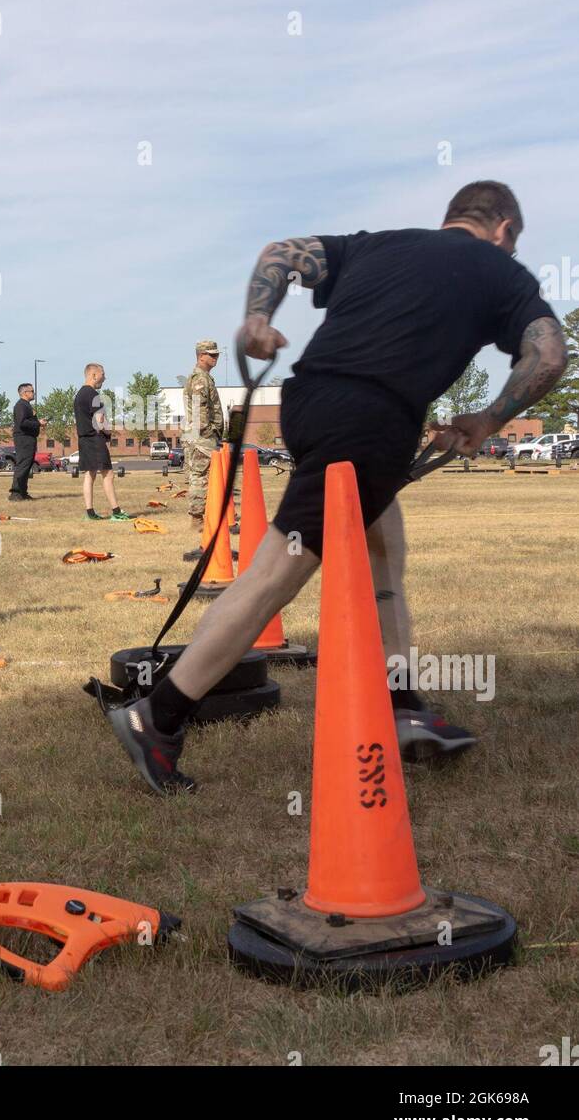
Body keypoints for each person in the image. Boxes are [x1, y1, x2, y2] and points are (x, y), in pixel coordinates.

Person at [108, 181, 567, 793]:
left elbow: (283, 253)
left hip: (311, 402)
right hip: (369, 420)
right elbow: (549, 356)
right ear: (505, 228)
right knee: (276, 573)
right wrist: (488, 419)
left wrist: (257, 321)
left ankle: (400, 702)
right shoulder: (501, 272)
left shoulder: (380, 243)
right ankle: (155, 717)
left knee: (383, 553)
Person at [73, 363, 131, 521]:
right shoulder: (93, 395)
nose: (104, 378)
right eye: (102, 374)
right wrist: (108, 430)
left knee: (89, 474)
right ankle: (116, 511)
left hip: (84, 439)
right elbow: (99, 421)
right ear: (93, 375)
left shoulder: (79, 395)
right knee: (108, 474)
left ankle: (90, 513)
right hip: (95, 439)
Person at [182, 340, 224, 531]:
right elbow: (200, 410)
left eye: (217, 354)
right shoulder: (199, 379)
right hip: (202, 437)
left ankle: (209, 515)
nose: (216, 357)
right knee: (200, 477)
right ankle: (197, 519)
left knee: (209, 476)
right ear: (201, 356)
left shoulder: (204, 377)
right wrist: (209, 431)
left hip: (203, 436)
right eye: (212, 354)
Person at [9, 383, 45, 501]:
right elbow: (22, 423)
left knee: (27, 465)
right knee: (23, 465)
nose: (34, 393)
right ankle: (15, 493)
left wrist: (38, 422)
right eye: (32, 391)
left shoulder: (26, 405)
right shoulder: (21, 406)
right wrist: (38, 423)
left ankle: (23, 492)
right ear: (25, 393)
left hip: (29, 438)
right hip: (24, 439)